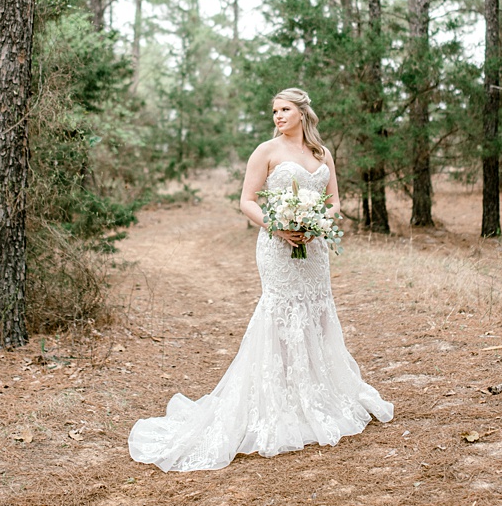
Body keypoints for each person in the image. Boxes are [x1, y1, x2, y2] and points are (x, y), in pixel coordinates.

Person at [128, 87, 393, 471]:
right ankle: (279, 400)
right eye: (274, 111)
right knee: (281, 315)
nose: (278, 117)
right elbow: (247, 200)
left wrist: (318, 222)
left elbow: (335, 200)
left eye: (285, 110)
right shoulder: (265, 152)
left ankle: (320, 394)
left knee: (316, 313)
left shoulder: (322, 154)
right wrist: (280, 226)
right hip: (277, 248)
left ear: (303, 112)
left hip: (314, 250)